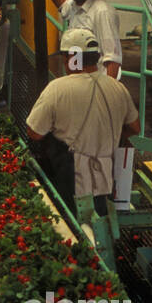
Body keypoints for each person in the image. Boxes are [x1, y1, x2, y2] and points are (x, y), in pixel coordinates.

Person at [25, 29, 139, 216]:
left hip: (71, 178)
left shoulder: (57, 88)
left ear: (73, 58)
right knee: (101, 213)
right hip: (107, 173)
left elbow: (34, 133)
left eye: (65, 57)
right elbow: (134, 127)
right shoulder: (118, 87)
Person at [32, 0, 122, 79]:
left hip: (97, 83)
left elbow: (112, 60)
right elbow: (63, 3)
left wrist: (106, 89)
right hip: (78, 81)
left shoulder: (102, 12)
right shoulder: (74, 5)